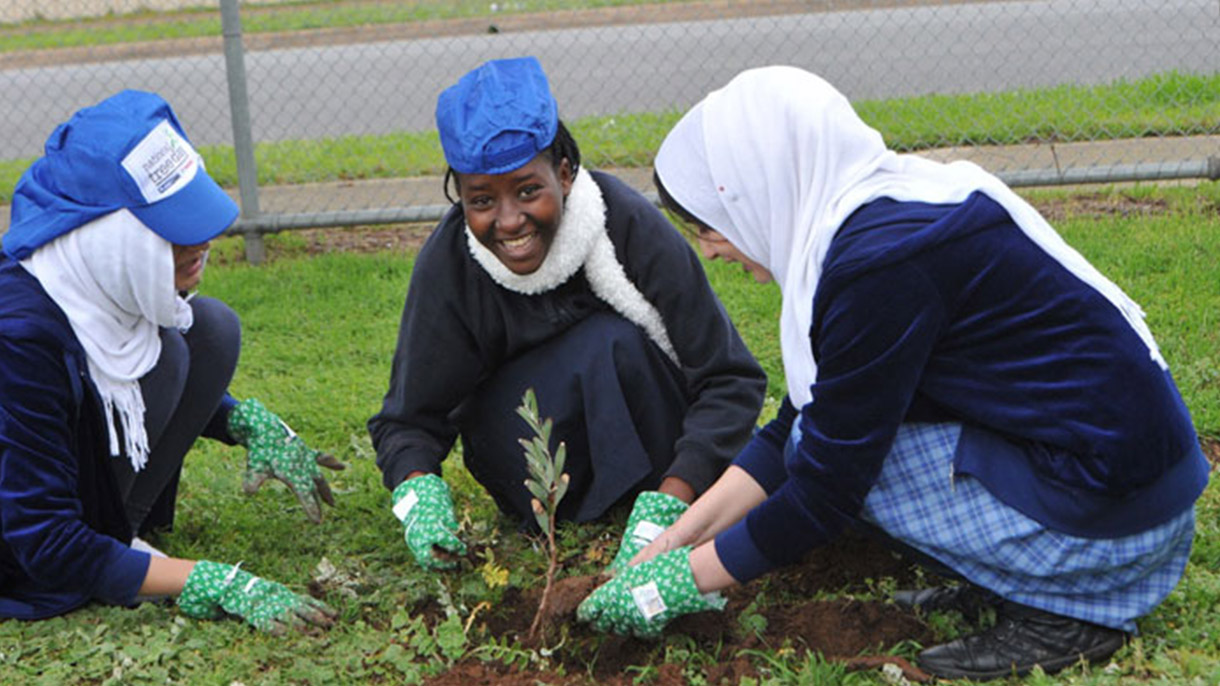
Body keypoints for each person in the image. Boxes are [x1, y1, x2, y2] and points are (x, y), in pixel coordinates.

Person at [576, 66, 1209, 681]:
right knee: (823, 438)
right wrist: (671, 539)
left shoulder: (879, 266)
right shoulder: (880, 207)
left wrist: (673, 587)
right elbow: (801, 418)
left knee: (847, 467)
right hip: (1123, 474)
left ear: (750, 190)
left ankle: (1070, 611)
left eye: (707, 226)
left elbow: (823, 492)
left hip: (1119, 516)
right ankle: (1013, 577)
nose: (710, 250)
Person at [368, 57, 766, 572]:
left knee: (611, 342)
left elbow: (730, 378)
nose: (509, 222)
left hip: (658, 454)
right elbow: (407, 420)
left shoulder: (627, 226)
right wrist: (418, 502)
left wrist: (671, 505)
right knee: (593, 347)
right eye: (482, 201)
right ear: (460, 199)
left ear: (564, 174)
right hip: (530, 478)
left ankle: (647, 501)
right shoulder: (451, 264)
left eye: (528, 191)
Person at [0, 90, 338, 631]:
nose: (202, 242)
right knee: (185, 338)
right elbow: (41, 539)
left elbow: (126, 374)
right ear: (109, 237)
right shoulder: (20, 336)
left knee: (208, 328)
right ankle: (115, 556)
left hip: (81, 507)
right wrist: (208, 578)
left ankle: (118, 538)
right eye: (172, 228)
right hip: (22, 559)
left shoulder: (89, 278)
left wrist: (240, 422)